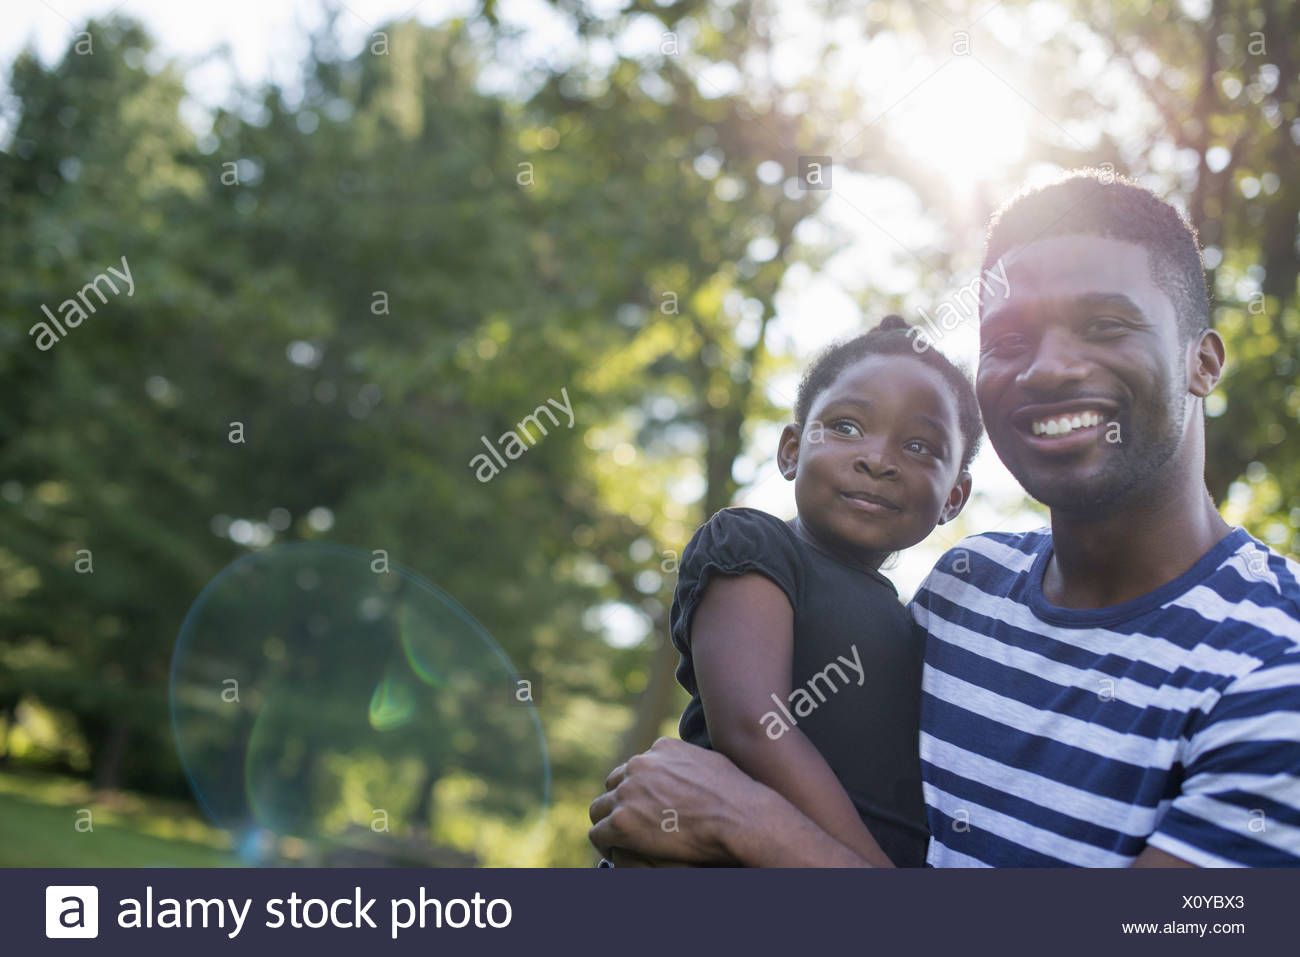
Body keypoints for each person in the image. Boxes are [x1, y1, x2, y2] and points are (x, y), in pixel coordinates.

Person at [589, 170, 1300, 867]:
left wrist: (751, 827)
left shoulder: (1275, 665)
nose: (1048, 368)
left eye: (1105, 324)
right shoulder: (965, 587)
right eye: (1010, 340)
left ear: (1202, 361)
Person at [648, 315, 980, 868]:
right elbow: (754, 728)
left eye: (920, 446)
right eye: (847, 427)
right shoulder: (752, 547)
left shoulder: (916, 624)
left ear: (954, 497)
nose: (877, 460)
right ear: (790, 451)